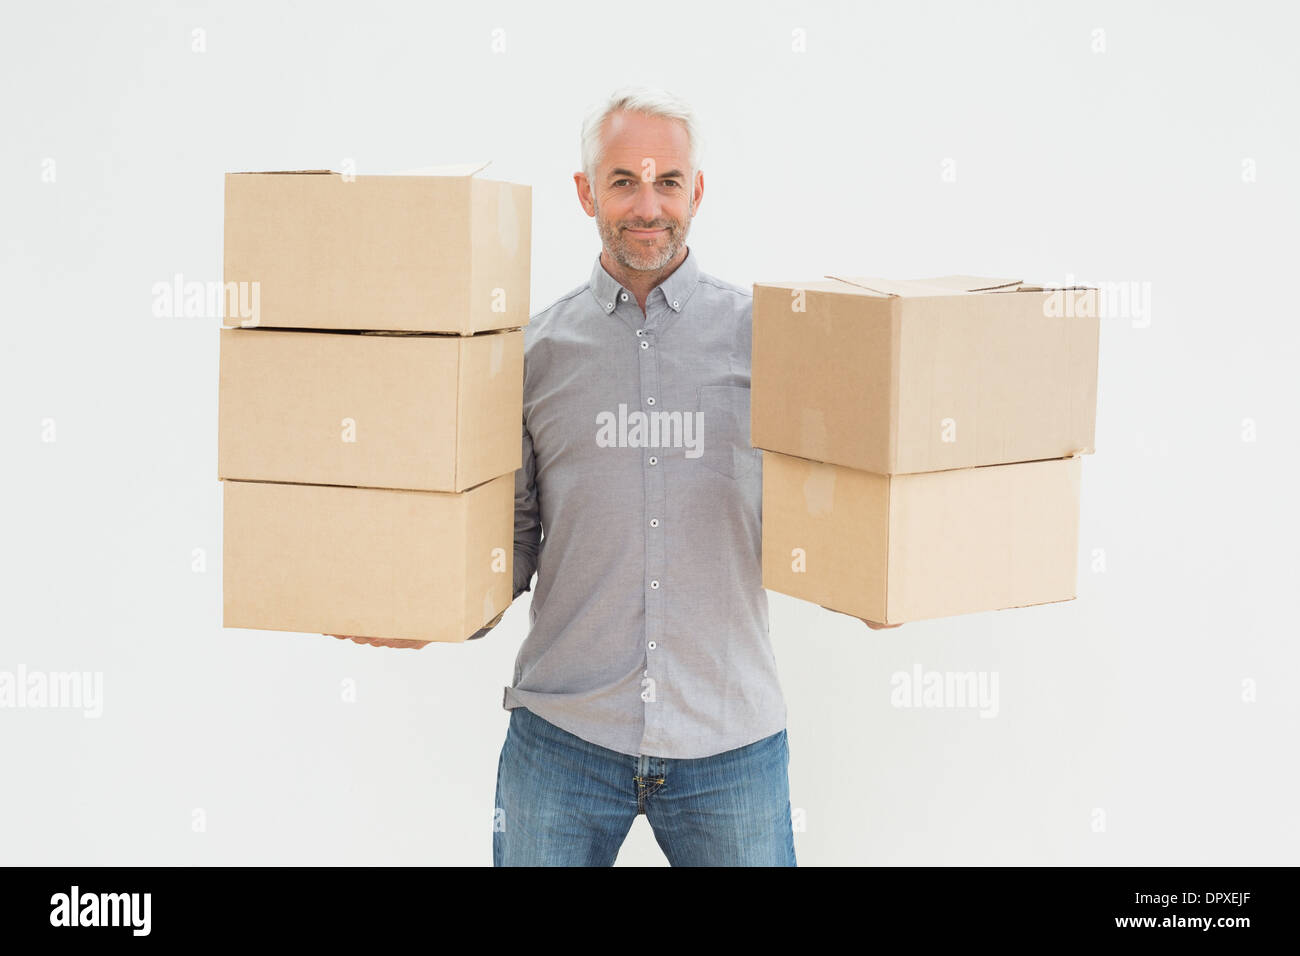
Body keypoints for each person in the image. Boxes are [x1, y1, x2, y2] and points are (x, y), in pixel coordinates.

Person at [333, 85, 898, 866]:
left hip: (729, 741)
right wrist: (435, 616)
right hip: (564, 741)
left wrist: (871, 583)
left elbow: (825, 507)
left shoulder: (772, 345)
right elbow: (514, 535)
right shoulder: (530, 356)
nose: (647, 204)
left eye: (668, 180)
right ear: (585, 191)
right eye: (623, 179)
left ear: (696, 192)